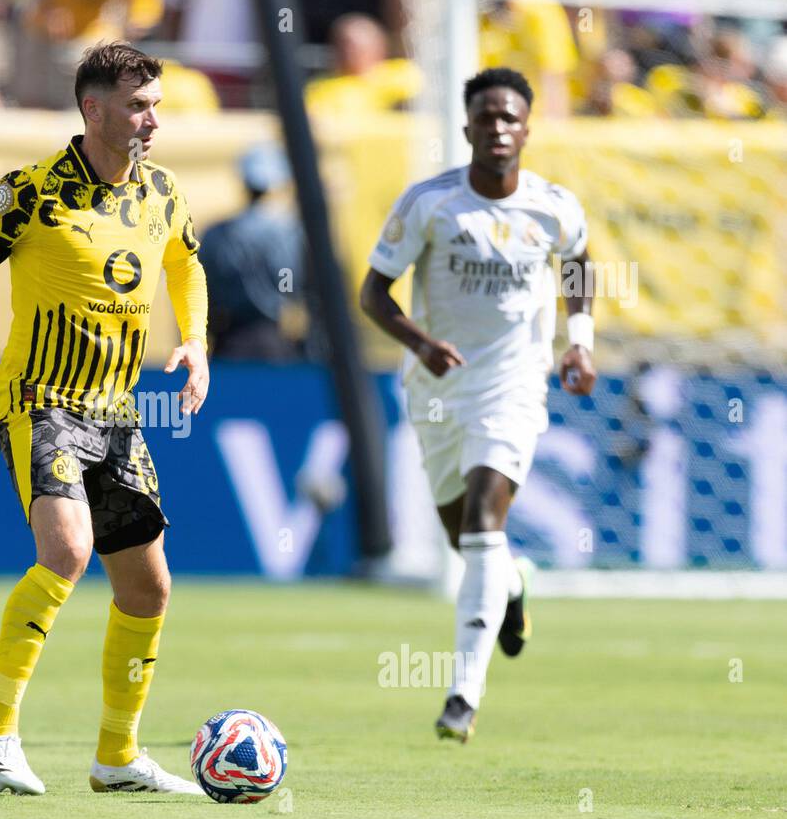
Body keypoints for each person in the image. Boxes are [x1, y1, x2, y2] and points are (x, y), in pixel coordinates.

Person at [0, 42, 209, 795]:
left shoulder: (163, 194)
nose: (152, 119)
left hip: (116, 411)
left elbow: (185, 263)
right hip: (41, 400)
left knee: (147, 589)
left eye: (156, 104)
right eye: (138, 106)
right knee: (67, 548)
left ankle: (118, 757)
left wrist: (195, 339)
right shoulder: (31, 191)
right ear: (92, 109)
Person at [359, 67, 595, 742]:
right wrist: (422, 343)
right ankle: (514, 582)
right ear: (467, 128)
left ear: (527, 128)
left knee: (486, 523)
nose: (497, 128)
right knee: (469, 541)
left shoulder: (554, 205)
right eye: (485, 118)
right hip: (436, 390)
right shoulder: (430, 203)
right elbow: (373, 294)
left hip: (515, 385)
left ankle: (462, 696)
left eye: (509, 118)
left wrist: (579, 342)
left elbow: (578, 262)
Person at [201, 144, 309, 361]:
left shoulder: (216, 234)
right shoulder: (290, 232)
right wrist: (284, 299)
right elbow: (287, 277)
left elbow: (203, 292)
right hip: (278, 343)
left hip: (229, 342)